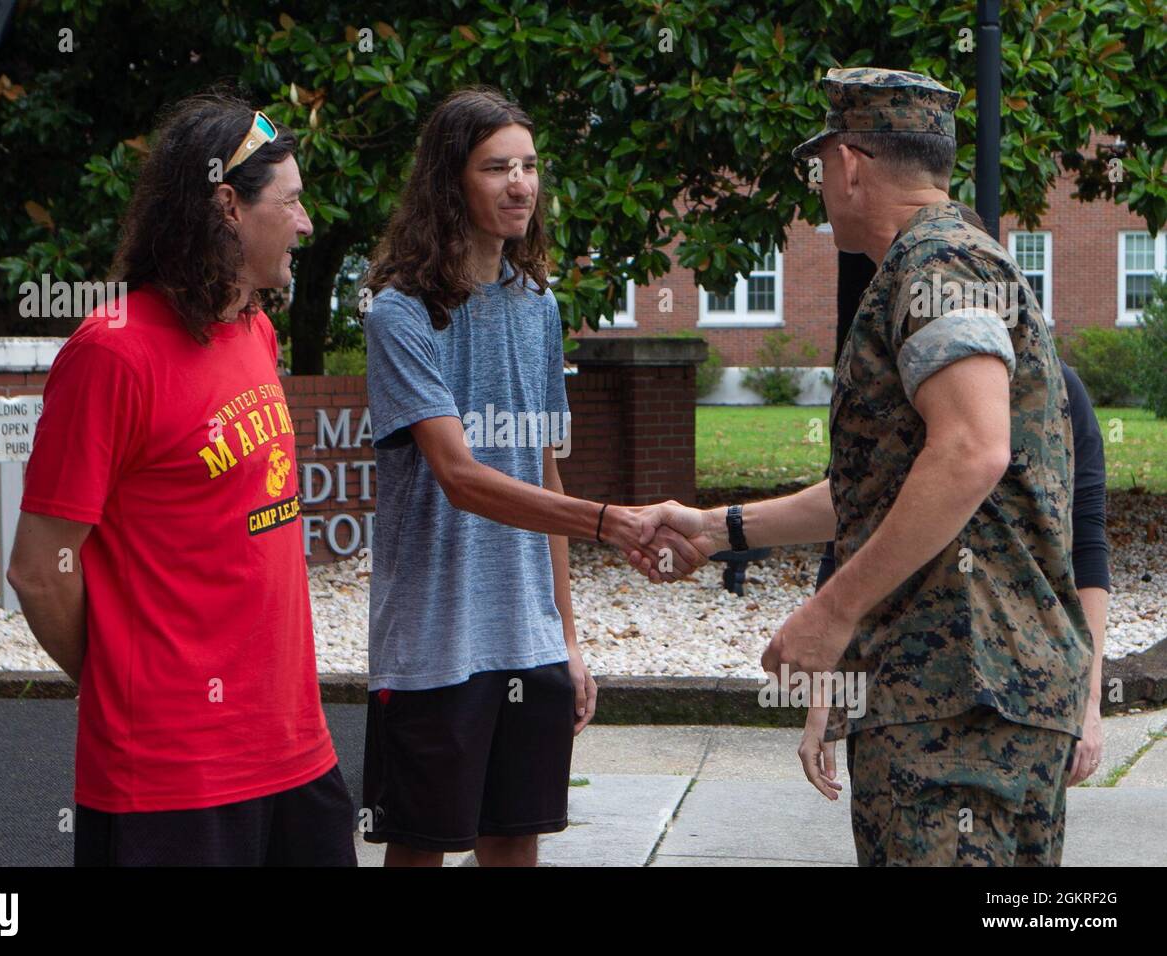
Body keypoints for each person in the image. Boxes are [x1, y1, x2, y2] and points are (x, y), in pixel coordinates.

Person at [639, 68, 1092, 865]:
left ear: (850, 164)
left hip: (958, 696)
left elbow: (970, 451)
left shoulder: (938, 267)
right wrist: (718, 529)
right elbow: (888, 486)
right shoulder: (953, 259)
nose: (820, 187)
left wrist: (833, 610)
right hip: (978, 693)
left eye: (820, 167)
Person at [8, 91, 356, 866]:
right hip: (172, 781)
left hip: (296, 750)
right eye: (292, 203)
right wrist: (125, 685)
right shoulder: (113, 353)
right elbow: (39, 570)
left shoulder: (253, 327)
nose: (306, 223)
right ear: (228, 206)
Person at [359, 86, 702, 867]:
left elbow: (543, 458)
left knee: (515, 842)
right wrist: (607, 520)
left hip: (526, 633)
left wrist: (567, 636)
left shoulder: (537, 303)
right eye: (496, 168)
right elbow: (458, 473)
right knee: (420, 847)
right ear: (451, 183)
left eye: (529, 166)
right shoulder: (400, 313)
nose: (520, 184)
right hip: (434, 636)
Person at [811, 201, 1111, 789]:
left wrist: (1090, 699)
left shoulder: (1057, 392)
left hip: (1014, 691)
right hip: (904, 685)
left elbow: (1087, 543)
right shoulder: (908, 380)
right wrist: (827, 685)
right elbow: (855, 520)